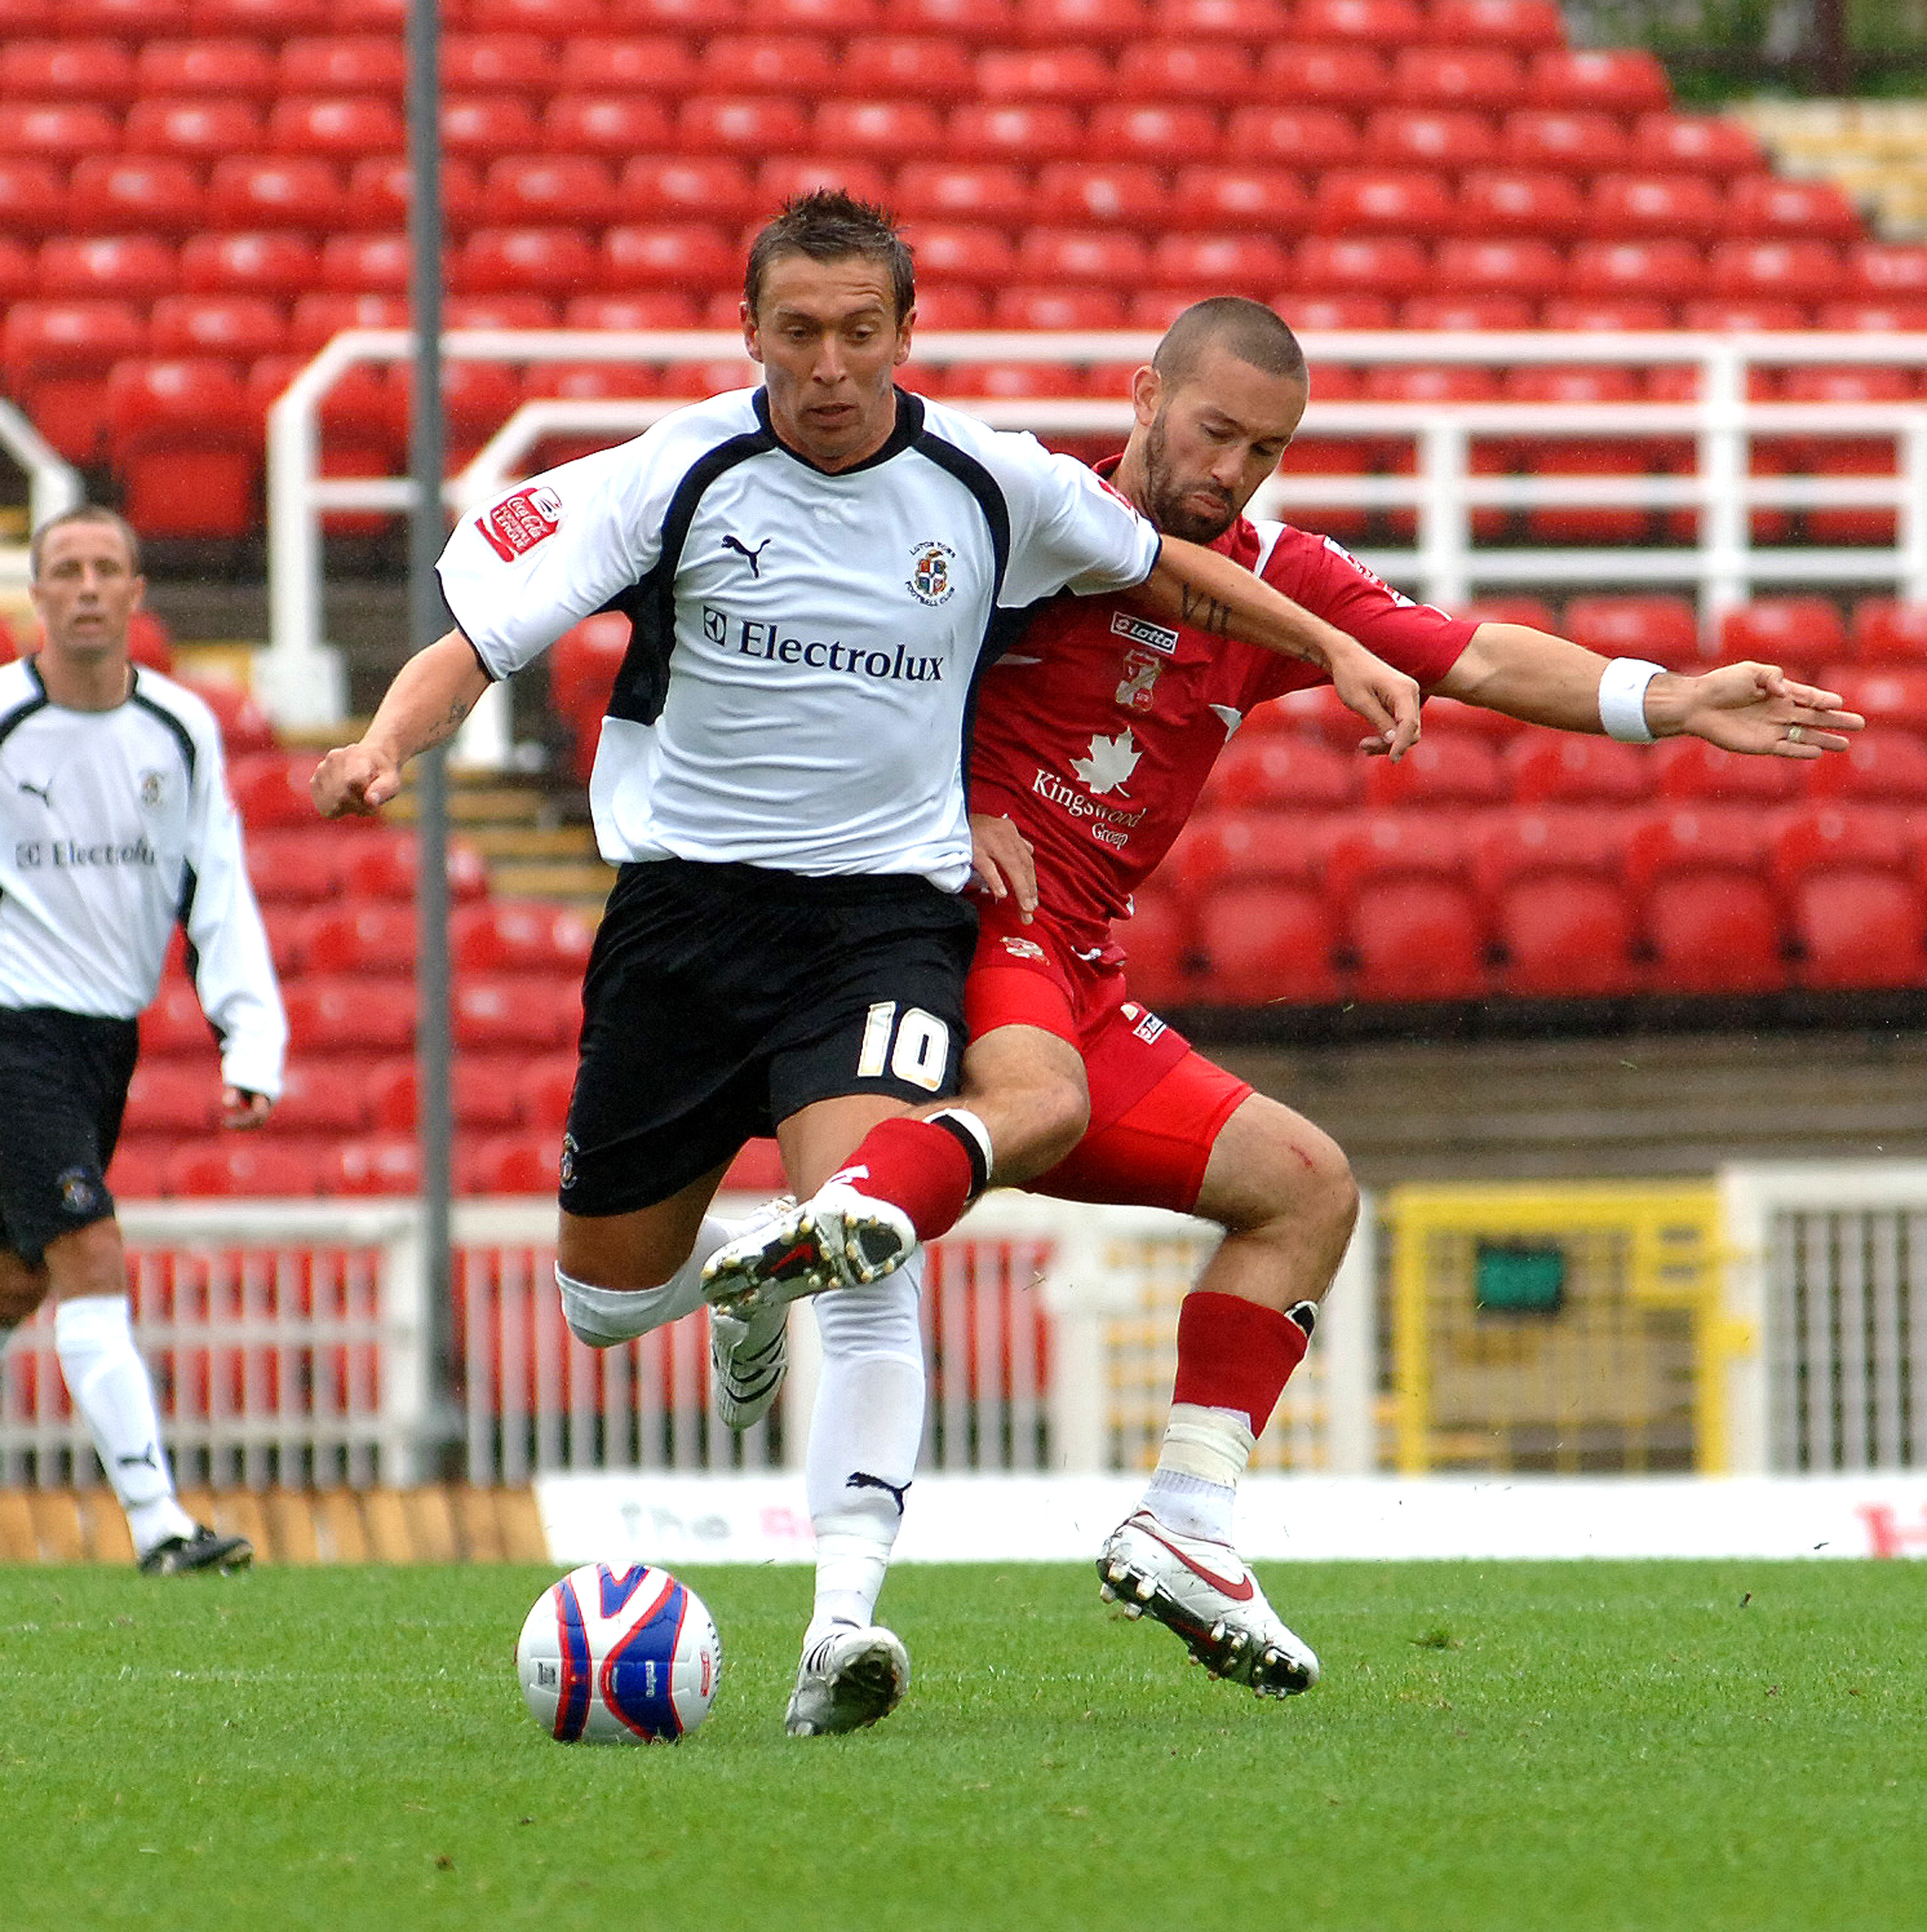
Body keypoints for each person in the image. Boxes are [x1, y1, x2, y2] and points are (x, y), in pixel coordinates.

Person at [312, 195, 1423, 1737]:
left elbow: (1174, 568)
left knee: (871, 1247)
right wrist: (380, 747)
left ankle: (842, 1625)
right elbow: (476, 639)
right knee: (603, 1307)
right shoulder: (675, 470)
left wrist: (1339, 645)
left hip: (880, 922)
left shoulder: (985, 478)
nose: (827, 365)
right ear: (749, 333)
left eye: (857, 332)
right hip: (683, 925)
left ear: (906, 335)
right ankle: (739, 1294)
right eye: (796, 333)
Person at [710, 296, 1867, 1697]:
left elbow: (1474, 655)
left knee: (1305, 1186)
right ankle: (818, 1231)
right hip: (962, 934)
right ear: (1143, 398)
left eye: (1263, 449)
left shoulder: (1271, 579)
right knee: (1040, 1098)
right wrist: (934, 805)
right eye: (1212, 434)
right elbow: (833, 666)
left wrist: (1665, 700)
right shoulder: (1026, 523)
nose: (1230, 473)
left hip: (1076, 963)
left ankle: (1183, 1521)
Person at [0, 505, 286, 1575]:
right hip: (10, 1028)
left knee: (17, 1284)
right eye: (63, 568)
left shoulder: (180, 726)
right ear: (36, 592)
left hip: (100, 1042)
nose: (82, 585)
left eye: (103, 567)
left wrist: (250, 1038)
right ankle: (161, 1523)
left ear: (135, 593)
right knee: (89, 1252)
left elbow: (218, 885)